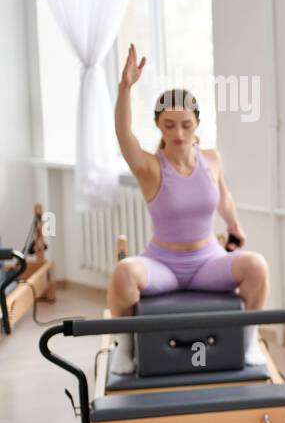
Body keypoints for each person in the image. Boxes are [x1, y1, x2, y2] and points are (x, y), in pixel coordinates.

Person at [106, 44, 270, 374]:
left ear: (196, 122)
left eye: (185, 124)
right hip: (163, 265)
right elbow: (124, 135)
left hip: (207, 261)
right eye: (168, 125)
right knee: (124, 273)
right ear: (158, 125)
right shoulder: (150, 167)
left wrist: (235, 226)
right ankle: (124, 348)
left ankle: (250, 342)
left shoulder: (211, 159)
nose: (178, 133)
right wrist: (125, 88)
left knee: (256, 266)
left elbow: (223, 198)